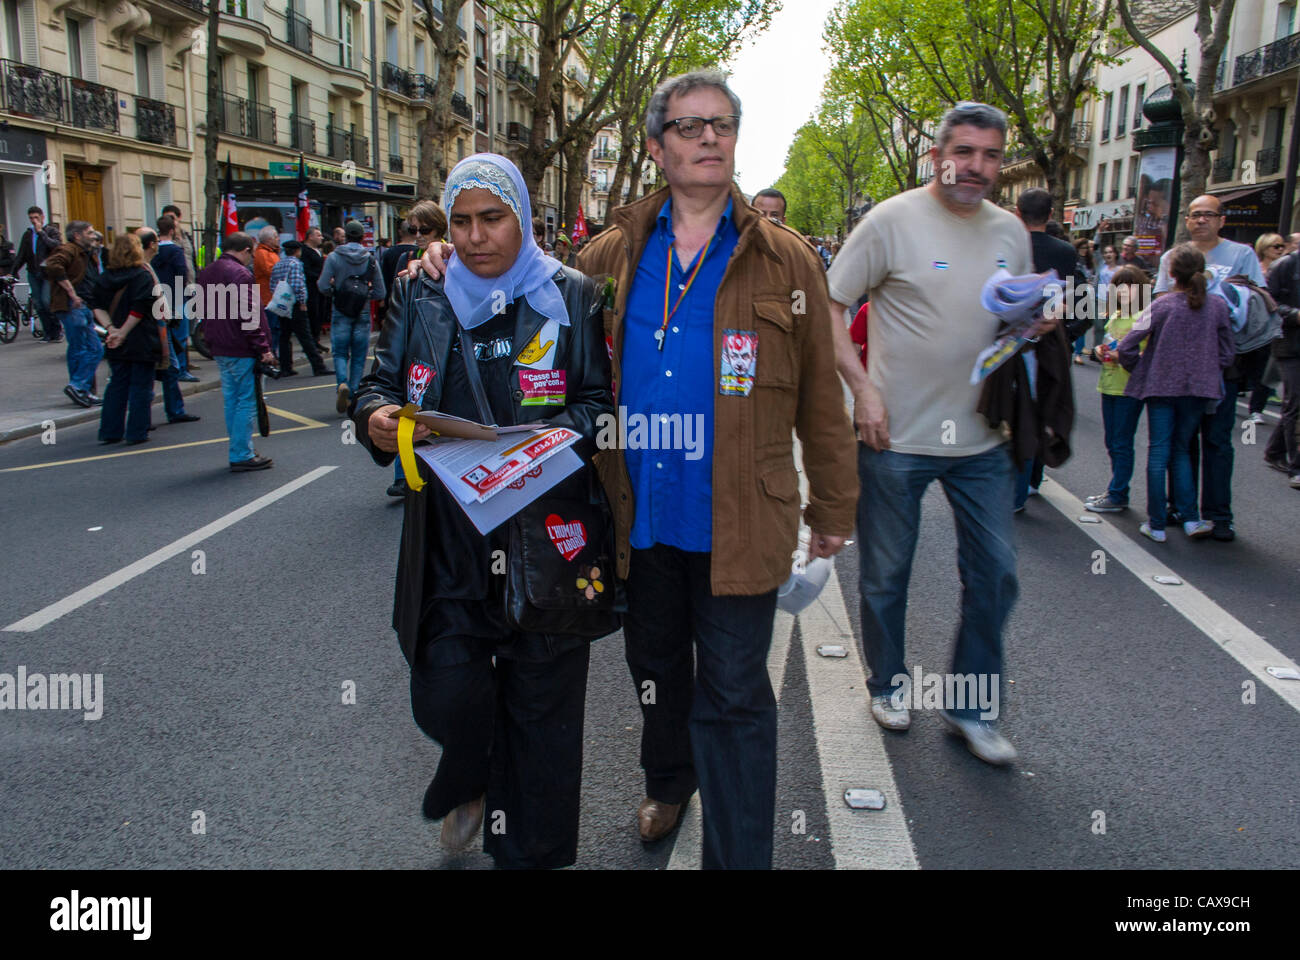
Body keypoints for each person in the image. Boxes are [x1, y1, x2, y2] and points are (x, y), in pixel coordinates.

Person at [576, 70, 856, 866]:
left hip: (740, 517)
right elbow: (526, 285)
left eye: (722, 125)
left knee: (735, 697)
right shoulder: (615, 253)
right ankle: (669, 781)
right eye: (690, 126)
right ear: (657, 145)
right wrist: (445, 259)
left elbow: (820, 399)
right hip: (641, 515)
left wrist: (832, 509)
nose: (708, 138)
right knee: (656, 672)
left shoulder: (787, 261)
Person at [351, 153, 614, 868]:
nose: (473, 237)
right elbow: (375, 384)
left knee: (545, 717)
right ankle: (471, 770)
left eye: (491, 219)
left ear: (522, 219)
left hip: (545, 535)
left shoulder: (575, 295)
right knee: (445, 689)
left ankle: (533, 853)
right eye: (461, 221)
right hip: (447, 538)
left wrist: (543, 446)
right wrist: (375, 417)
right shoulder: (422, 294)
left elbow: (596, 406)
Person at [827, 101, 1038, 766]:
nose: (977, 166)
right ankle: (888, 684)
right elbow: (831, 306)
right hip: (896, 438)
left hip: (984, 439)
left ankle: (971, 708)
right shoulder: (889, 220)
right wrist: (863, 390)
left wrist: (1037, 324)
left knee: (997, 576)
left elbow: (1013, 319)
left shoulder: (1011, 232)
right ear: (938, 156)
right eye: (965, 152)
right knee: (887, 576)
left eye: (991, 155)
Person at [1154, 195, 1265, 542]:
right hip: (1179, 370)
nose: (1201, 220)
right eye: (1195, 215)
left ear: (1221, 220)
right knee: (1181, 442)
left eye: (1208, 215)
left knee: (1217, 440)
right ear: (1186, 221)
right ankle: (1182, 508)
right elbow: (1159, 302)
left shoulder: (1242, 254)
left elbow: (1258, 299)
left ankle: (1219, 515)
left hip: (1222, 366)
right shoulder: (1170, 258)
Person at [1118, 244, 1235, 542]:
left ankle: (1156, 523)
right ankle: (1191, 518)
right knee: (1182, 448)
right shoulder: (1218, 306)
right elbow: (1227, 353)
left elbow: (1128, 345)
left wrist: (1141, 368)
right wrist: (1208, 368)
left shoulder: (1160, 306)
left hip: (1161, 386)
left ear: (1171, 274)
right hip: (1199, 389)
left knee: (1158, 451)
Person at [1012, 187, 1087, 512]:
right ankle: (1032, 477)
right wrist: (1068, 334)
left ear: (1017, 213)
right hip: (1052, 342)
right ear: (1052, 215)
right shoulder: (1066, 252)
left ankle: (1014, 487)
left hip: (1013, 342)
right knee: (1044, 408)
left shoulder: (1009, 246)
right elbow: (1077, 302)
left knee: (1014, 413)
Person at [196, 231, 277, 472]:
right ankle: (242, 452)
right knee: (246, 401)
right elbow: (248, 315)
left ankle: (240, 448)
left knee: (231, 400)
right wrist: (263, 348)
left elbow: (202, 309)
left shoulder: (206, 272)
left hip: (219, 344)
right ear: (245, 250)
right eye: (251, 253)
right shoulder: (241, 274)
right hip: (241, 346)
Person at [1083, 265, 1150, 513]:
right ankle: (1115, 489)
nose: (1123, 291)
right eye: (1118, 286)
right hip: (1108, 385)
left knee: (1122, 443)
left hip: (1129, 389)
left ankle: (1118, 493)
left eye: (1129, 286)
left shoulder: (1145, 317)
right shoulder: (1116, 315)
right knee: (1112, 441)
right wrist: (1102, 353)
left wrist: (1125, 355)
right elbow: (1106, 348)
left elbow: (1149, 355)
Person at [94, 233, 169, 446]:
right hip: (141, 337)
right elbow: (140, 308)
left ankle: (110, 431)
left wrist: (111, 330)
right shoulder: (142, 275)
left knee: (117, 384)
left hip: (115, 337)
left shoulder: (105, 277)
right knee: (141, 386)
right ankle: (136, 431)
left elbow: (97, 306)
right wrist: (123, 332)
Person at [318, 219, 385, 414]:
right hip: (362, 311)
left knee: (339, 352)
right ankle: (353, 394)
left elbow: (322, 285)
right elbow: (380, 291)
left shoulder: (333, 257)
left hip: (340, 310)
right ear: (363, 237)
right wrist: (365, 296)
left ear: (345, 236)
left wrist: (336, 292)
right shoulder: (370, 259)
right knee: (358, 356)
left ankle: (342, 383)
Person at [137, 225, 200, 427]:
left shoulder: (144, 265)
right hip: (153, 324)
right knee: (167, 367)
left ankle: (150, 417)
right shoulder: (142, 269)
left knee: (154, 373)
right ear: (151, 244)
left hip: (152, 321)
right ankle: (169, 412)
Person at [44, 220, 104, 408]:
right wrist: (71, 292)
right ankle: (77, 386)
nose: (93, 234)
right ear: (77, 235)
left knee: (81, 349)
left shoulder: (84, 253)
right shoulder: (69, 249)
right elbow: (53, 265)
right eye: (90, 232)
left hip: (81, 306)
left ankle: (82, 389)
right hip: (73, 306)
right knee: (91, 349)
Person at [1264, 241, 1300, 489]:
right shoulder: (1286, 264)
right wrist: (1294, 314)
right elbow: (1270, 301)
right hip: (1290, 345)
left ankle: (1274, 450)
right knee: (1295, 401)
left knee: (1293, 404)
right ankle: (1296, 466)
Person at [268, 240, 330, 377]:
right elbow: (298, 284)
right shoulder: (295, 264)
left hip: (282, 303)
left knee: (284, 336)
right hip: (295, 304)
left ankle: (286, 367)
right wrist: (302, 301)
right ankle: (318, 366)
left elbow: (272, 284)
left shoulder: (278, 264)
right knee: (305, 336)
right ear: (297, 251)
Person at [1244, 233, 1288, 424]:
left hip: (1274, 327)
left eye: (1281, 246)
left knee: (1265, 368)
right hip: (1251, 325)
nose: (1280, 249)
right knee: (1249, 365)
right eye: (1275, 246)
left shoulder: (1286, 269)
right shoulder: (1255, 270)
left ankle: (1256, 408)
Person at [12, 206, 59, 342]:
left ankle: (57, 330)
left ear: (42, 217)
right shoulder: (27, 234)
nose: (33, 221)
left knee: (46, 301)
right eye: (31, 218)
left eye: (36, 218)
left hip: (48, 273)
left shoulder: (50, 231)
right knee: (38, 304)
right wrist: (13, 272)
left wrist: (41, 233)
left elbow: (55, 246)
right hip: (33, 272)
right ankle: (47, 332)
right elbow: (22, 255)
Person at [253, 225, 281, 348]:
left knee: (275, 328)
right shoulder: (262, 253)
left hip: (272, 296)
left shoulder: (270, 252)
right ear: (268, 239)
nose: (278, 239)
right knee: (271, 328)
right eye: (275, 237)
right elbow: (270, 272)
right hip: (267, 298)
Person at [300, 226, 328, 351]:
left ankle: (316, 339)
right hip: (310, 288)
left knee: (319, 313)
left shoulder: (318, 250)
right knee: (312, 313)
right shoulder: (304, 251)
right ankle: (311, 342)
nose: (321, 237)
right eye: (318, 235)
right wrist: (321, 277)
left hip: (319, 288)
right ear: (310, 236)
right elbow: (306, 270)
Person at [1073, 236, 1098, 364]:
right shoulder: (1073, 260)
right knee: (1077, 320)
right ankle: (1077, 352)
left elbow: (1093, 275)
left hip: (1088, 293)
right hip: (1075, 293)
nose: (1085, 250)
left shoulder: (1090, 261)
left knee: (1084, 321)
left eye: (1087, 248)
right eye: (1083, 248)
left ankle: (1078, 349)